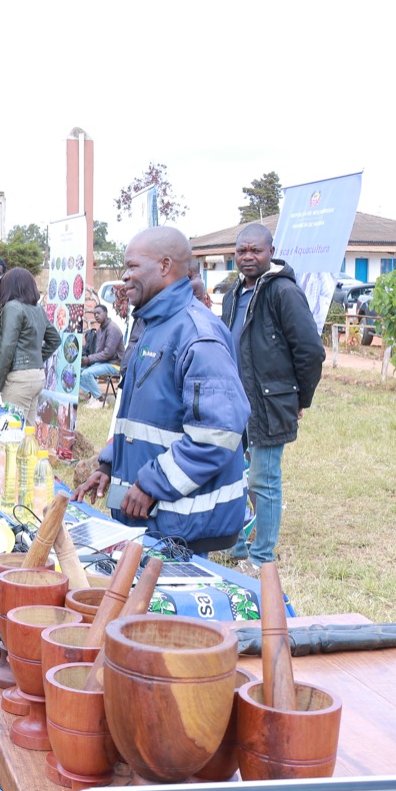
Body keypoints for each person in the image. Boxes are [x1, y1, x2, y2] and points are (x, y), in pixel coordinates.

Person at [73, 227, 249, 556]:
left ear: (165, 266)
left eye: (133, 267)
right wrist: (109, 466)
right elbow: (140, 414)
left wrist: (152, 484)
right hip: (152, 522)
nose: (124, 277)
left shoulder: (198, 335)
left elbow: (216, 433)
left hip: (181, 528)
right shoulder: (154, 327)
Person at [220, 224, 325, 573]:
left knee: (263, 478)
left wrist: (300, 399)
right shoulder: (233, 293)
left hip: (269, 401)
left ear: (270, 251)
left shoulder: (283, 292)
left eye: (255, 251)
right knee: (232, 474)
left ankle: (261, 556)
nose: (248, 257)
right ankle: (234, 544)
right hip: (235, 402)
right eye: (241, 251)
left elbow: (310, 351)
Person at [0, 267, 60, 419]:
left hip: (18, 379)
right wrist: (35, 359)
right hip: (37, 376)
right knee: (27, 434)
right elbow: (54, 340)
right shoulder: (37, 309)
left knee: (9, 433)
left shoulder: (12, 307)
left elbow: (6, 348)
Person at [78, 304, 124, 409]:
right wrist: (86, 359)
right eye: (95, 314)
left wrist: (89, 360)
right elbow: (98, 351)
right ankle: (92, 396)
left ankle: (101, 400)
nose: (96, 316)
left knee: (87, 373)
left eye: (99, 313)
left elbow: (108, 353)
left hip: (115, 364)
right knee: (77, 371)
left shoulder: (112, 329)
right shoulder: (101, 329)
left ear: (106, 314)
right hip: (105, 362)